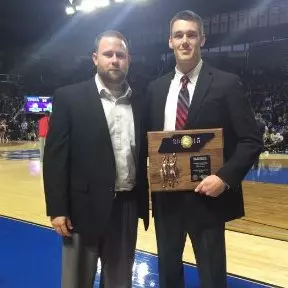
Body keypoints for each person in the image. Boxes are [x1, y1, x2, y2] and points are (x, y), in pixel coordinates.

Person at [146, 10, 263, 288]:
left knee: (212, 278)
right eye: (179, 35)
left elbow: (251, 140)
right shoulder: (155, 89)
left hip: (208, 200)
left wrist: (224, 178)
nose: (185, 41)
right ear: (170, 42)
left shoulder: (226, 83)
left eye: (191, 35)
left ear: (202, 39)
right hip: (167, 201)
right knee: (168, 276)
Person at [43, 30, 149, 288]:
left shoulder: (141, 101)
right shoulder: (70, 97)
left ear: (128, 59)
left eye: (120, 55)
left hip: (125, 206)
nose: (114, 60)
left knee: (119, 281)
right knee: (76, 282)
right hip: (82, 208)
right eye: (108, 54)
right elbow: (55, 157)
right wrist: (58, 209)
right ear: (95, 58)